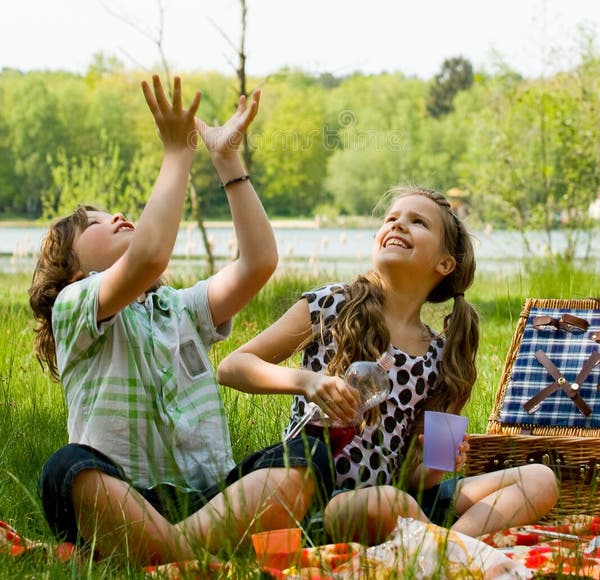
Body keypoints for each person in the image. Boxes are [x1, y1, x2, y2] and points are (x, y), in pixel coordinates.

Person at [28, 75, 332, 565]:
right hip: (125, 497)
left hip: (210, 499)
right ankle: (193, 555)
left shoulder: (180, 307)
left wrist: (227, 161)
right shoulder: (75, 307)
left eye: (116, 212)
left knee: (307, 460)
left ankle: (163, 555)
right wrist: (177, 153)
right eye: (96, 222)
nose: (119, 216)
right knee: (65, 469)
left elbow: (258, 264)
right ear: (75, 270)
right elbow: (148, 256)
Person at [217, 186, 558, 545]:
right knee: (388, 502)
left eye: (417, 222)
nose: (398, 225)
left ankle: (444, 548)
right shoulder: (331, 305)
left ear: (444, 264)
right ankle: (444, 550)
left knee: (539, 479)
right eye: (390, 219)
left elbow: (417, 481)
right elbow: (232, 366)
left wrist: (435, 466)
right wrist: (306, 381)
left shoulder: (444, 355)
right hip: (323, 502)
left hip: (401, 505)